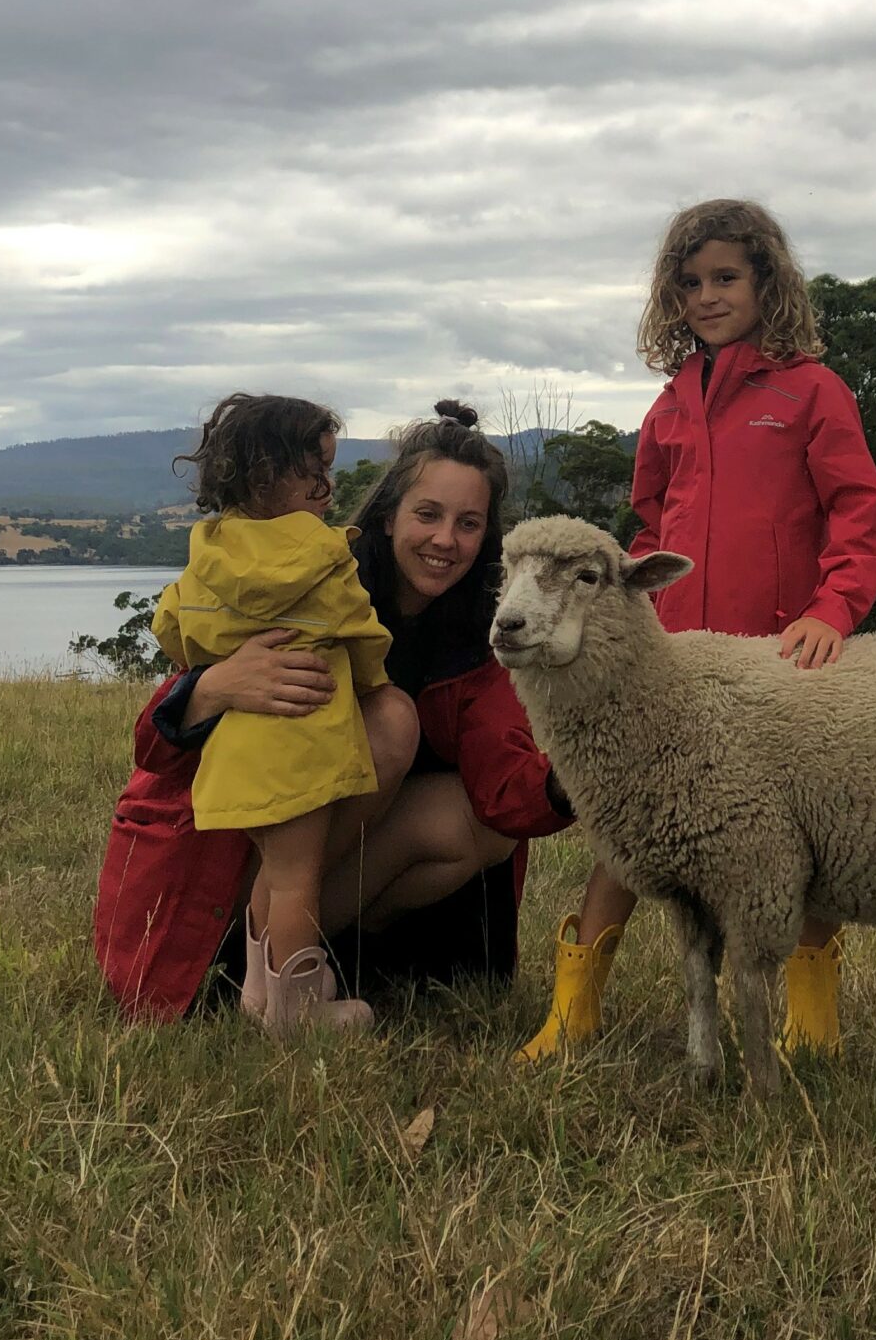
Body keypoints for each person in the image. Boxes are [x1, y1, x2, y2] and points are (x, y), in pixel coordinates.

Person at [516, 198, 876, 1065]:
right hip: (675, 662)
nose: (707, 296)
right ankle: (574, 1010)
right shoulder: (671, 404)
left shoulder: (813, 390)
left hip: (782, 660)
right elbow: (649, 524)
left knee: (802, 835)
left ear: (768, 280)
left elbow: (860, 516)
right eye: (689, 284)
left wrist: (831, 610)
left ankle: (814, 1020)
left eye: (726, 277)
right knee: (628, 827)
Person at [94, 401, 571, 1023]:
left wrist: (572, 784)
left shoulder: (479, 635)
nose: (445, 541)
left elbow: (499, 775)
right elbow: (152, 752)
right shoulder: (304, 578)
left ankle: (316, 961)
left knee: (476, 826)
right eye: (427, 514)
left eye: (469, 523)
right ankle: (255, 968)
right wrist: (213, 687)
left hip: (309, 874)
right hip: (219, 876)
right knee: (392, 719)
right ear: (388, 512)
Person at [150, 392, 420, 1035]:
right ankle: (298, 1014)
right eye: (317, 471)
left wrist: (217, 660)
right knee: (298, 880)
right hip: (302, 743)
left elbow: (170, 626)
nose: (329, 487)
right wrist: (370, 680)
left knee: (275, 869)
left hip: (236, 752)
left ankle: (259, 998)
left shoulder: (209, 550)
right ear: (269, 476)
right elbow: (360, 631)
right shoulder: (323, 553)